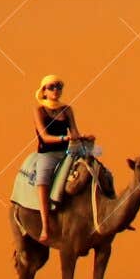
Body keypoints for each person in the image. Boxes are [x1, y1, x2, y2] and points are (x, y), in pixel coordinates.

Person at [30, 74, 90, 244]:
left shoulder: (67, 110)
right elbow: (44, 136)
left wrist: (84, 137)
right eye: (51, 87)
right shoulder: (39, 111)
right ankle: (45, 226)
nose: (55, 90)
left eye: (59, 86)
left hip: (67, 152)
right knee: (42, 181)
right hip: (48, 153)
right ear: (44, 91)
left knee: (94, 168)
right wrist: (65, 138)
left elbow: (74, 132)